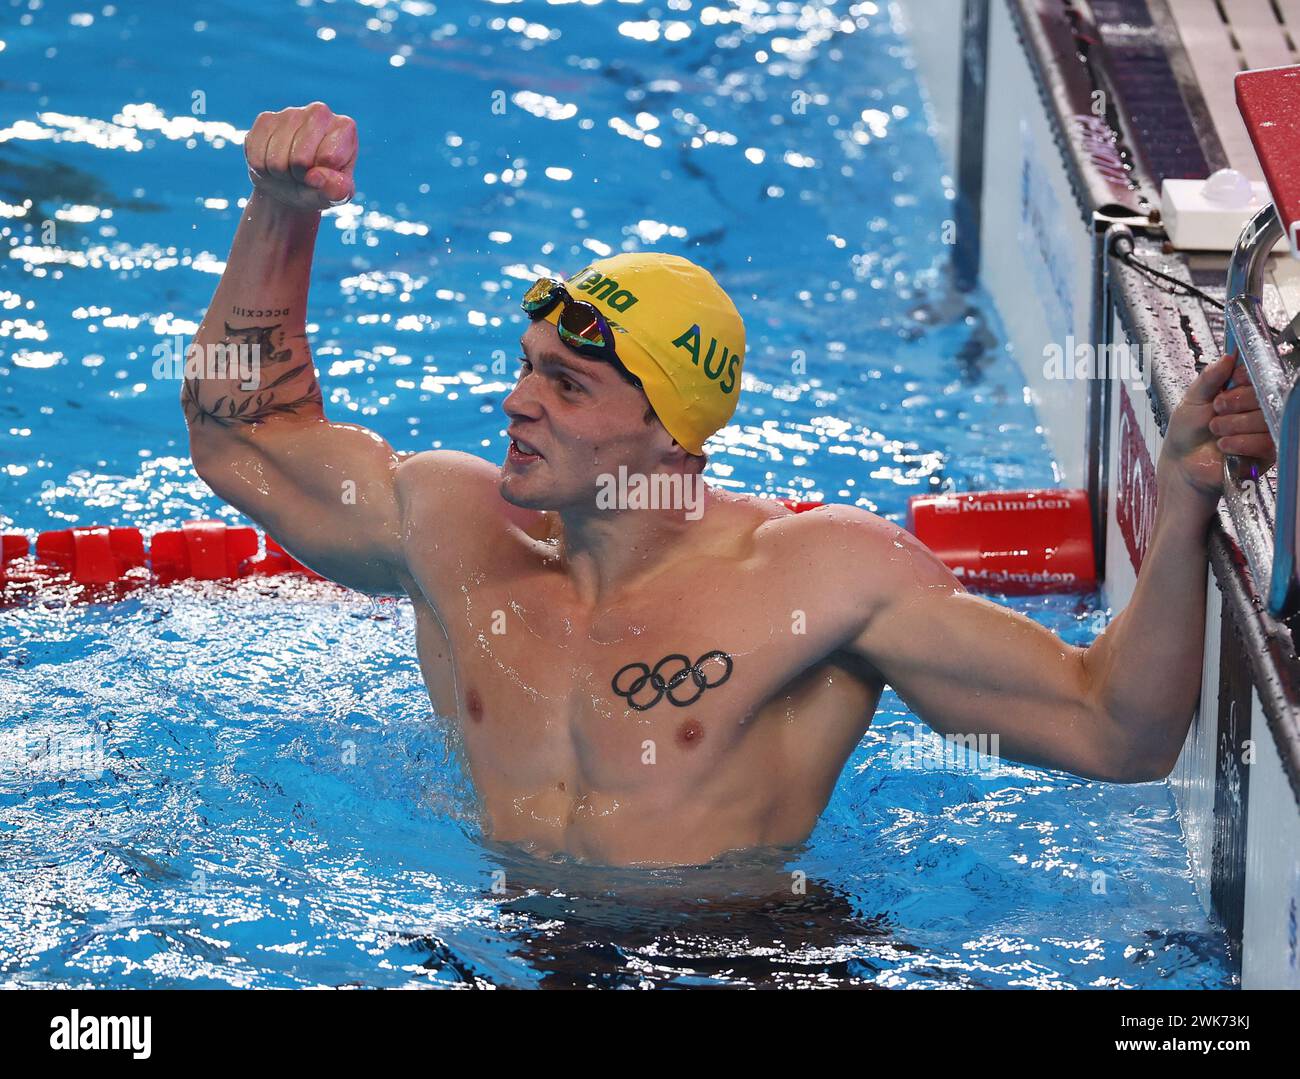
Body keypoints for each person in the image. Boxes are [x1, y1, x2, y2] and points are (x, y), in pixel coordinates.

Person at [182, 102, 1276, 868]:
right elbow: (241, 433)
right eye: (525, 367)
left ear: (671, 439)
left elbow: (1113, 732)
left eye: (565, 384)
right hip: (516, 946)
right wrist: (281, 211)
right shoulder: (450, 526)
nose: (518, 401)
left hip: (748, 953)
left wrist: (1179, 506)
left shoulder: (821, 577)